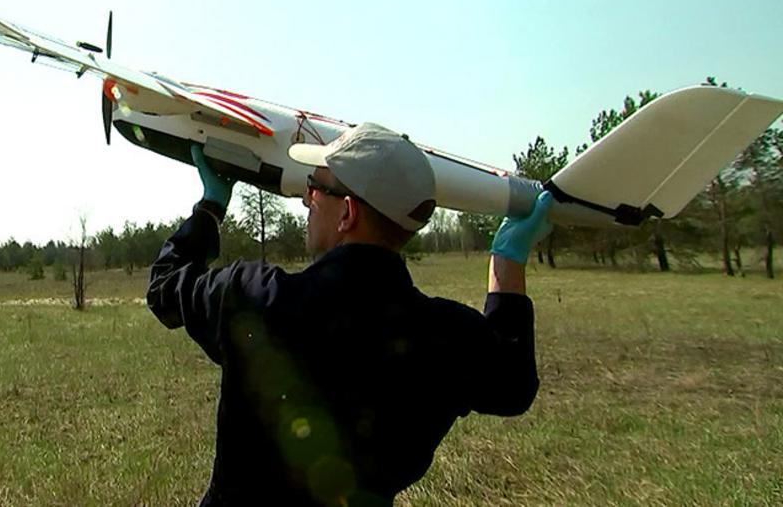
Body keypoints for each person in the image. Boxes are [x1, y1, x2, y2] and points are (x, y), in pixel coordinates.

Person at [147, 122, 552, 506]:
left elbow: (165, 287)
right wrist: (507, 258)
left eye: (315, 187)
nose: (308, 199)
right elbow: (514, 387)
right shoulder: (449, 336)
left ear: (348, 214)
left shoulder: (254, 299)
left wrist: (210, 208)